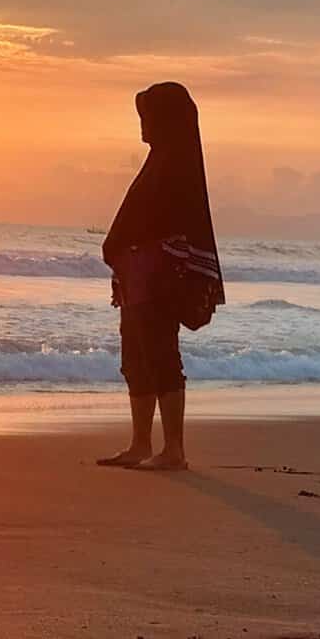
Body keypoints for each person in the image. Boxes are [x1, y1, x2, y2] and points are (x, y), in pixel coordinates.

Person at [97, 82, 224, 471]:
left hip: (159, 279)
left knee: (160, 355)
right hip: (137, 279)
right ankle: (140, 444)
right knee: (136, 357)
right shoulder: (158, 163)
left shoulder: (176, 168)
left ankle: (173, 449)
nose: (143, 125)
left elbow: (170, 228)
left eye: (148, 116)